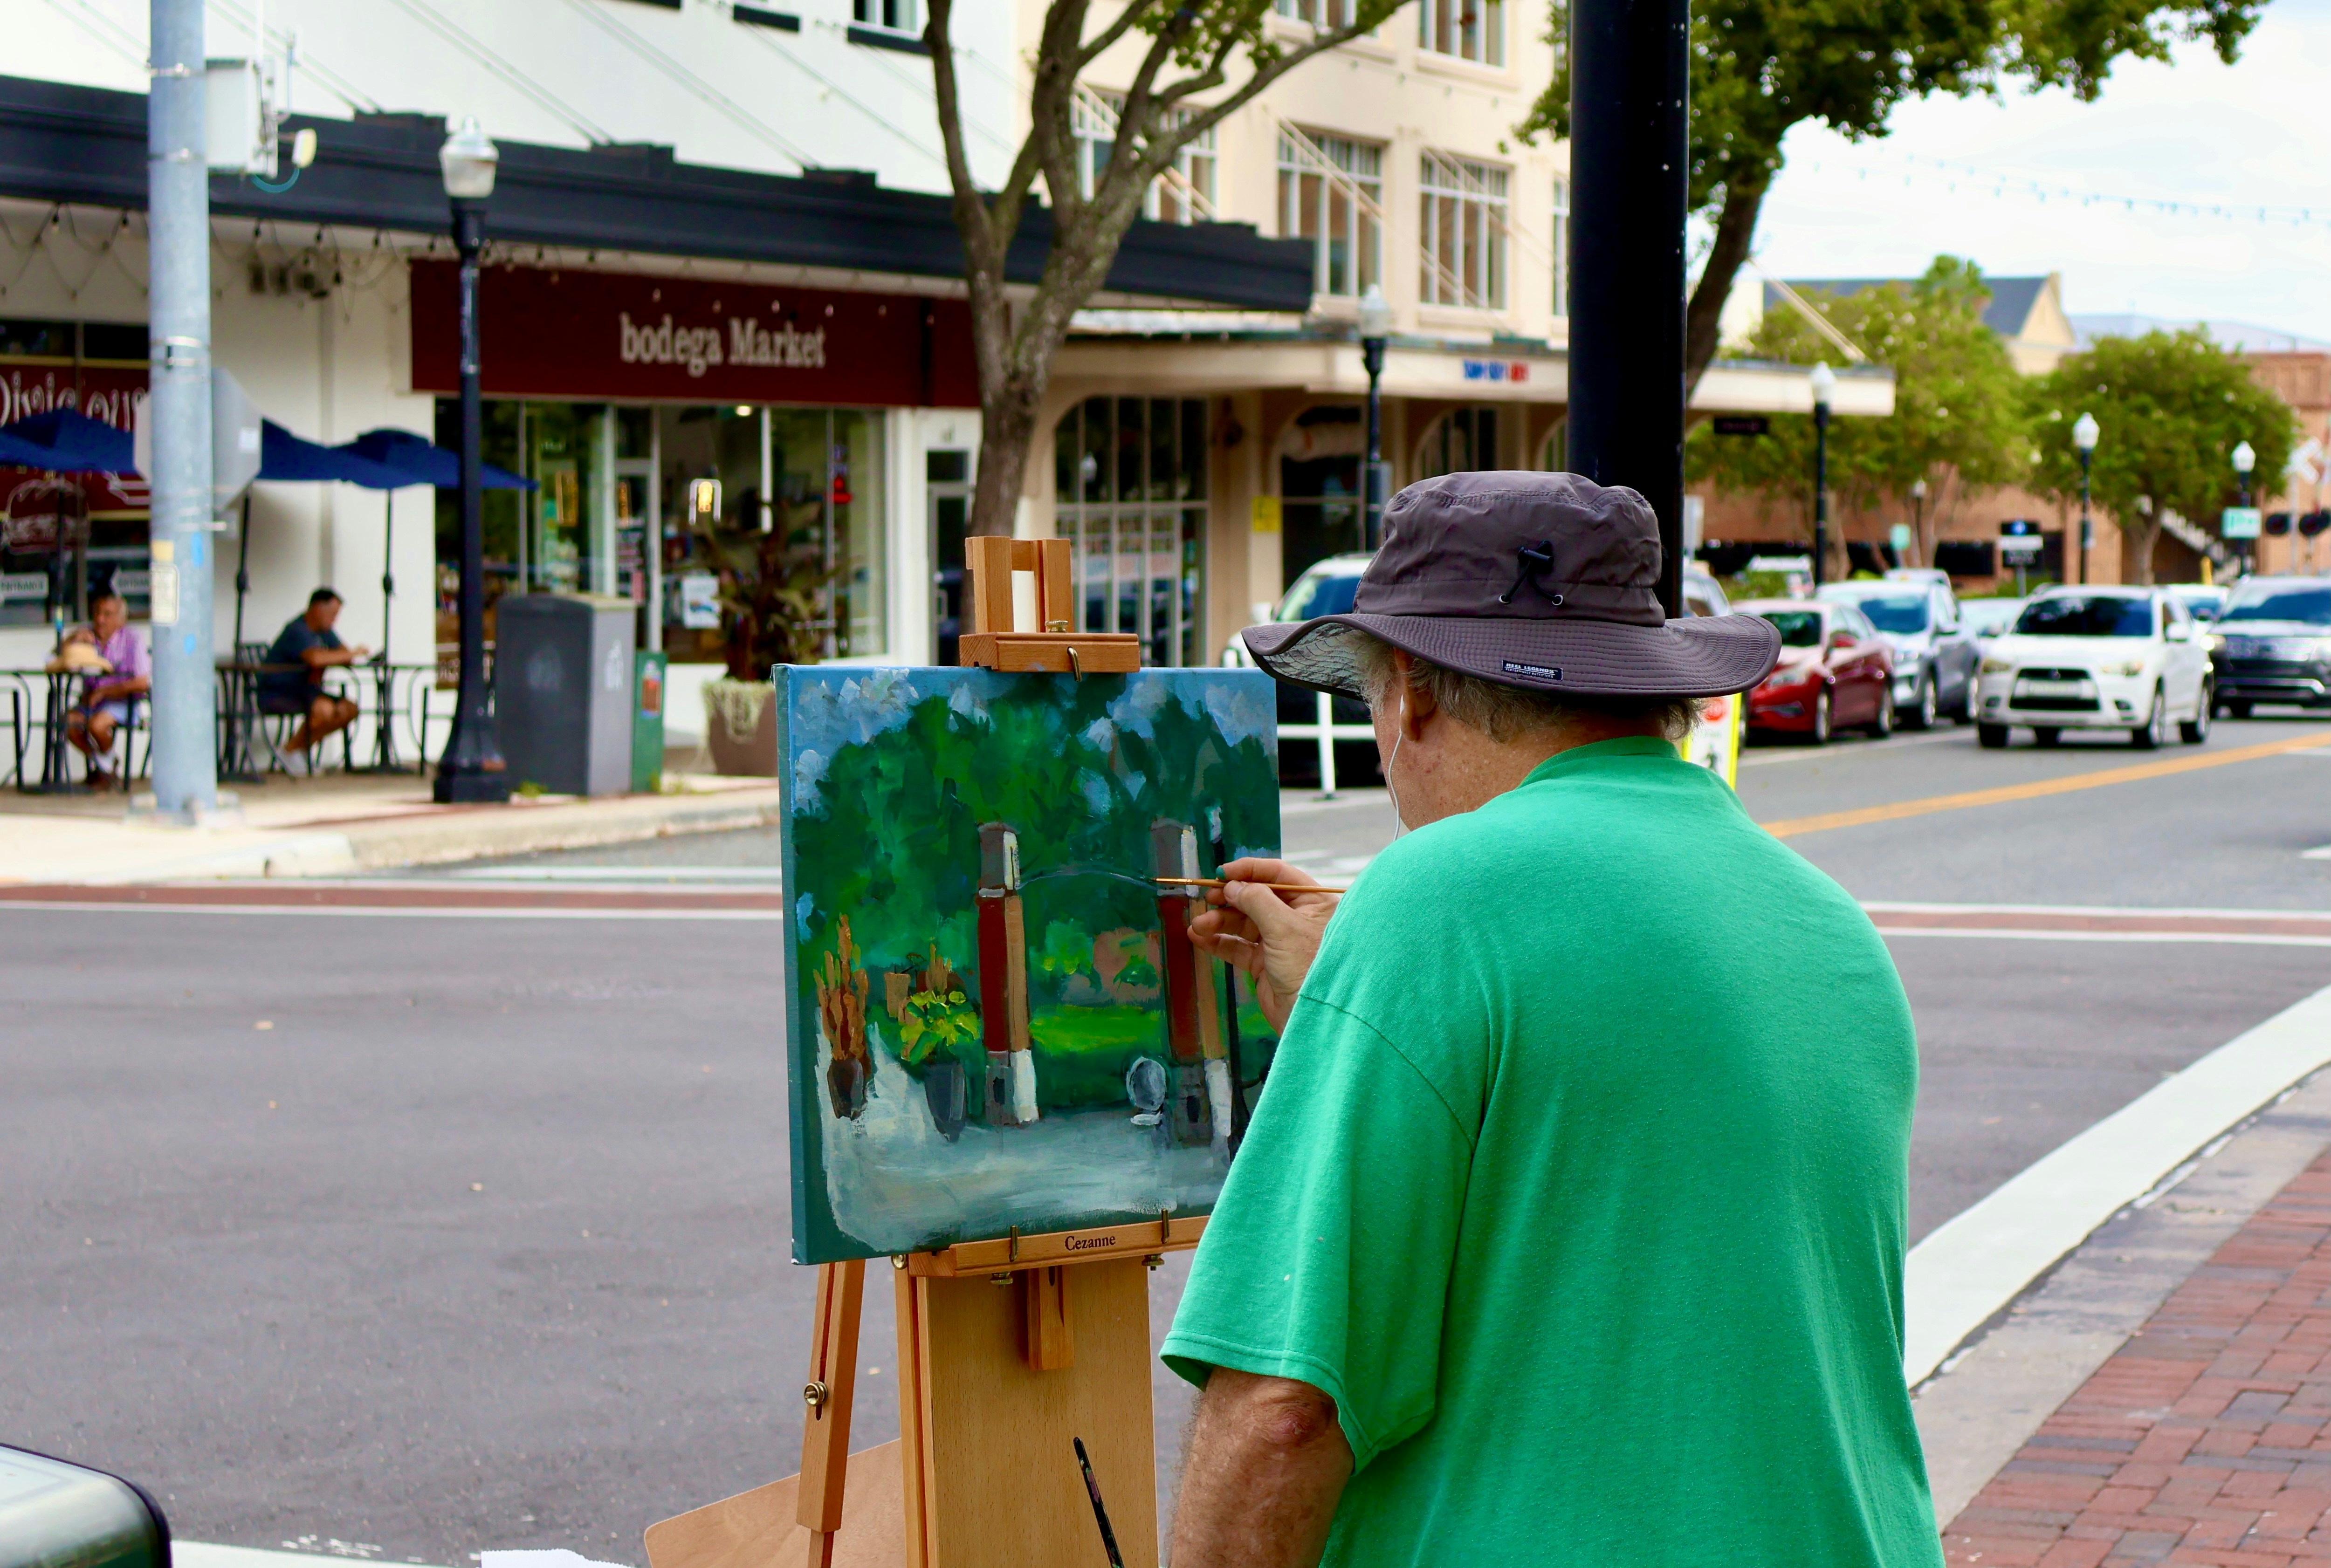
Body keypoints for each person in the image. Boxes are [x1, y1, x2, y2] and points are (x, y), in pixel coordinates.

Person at [1163, 471, 1942, 1568]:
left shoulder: (1436, 895)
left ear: (1409, 695)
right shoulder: (1823, 924)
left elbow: (1285, 1405)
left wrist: (1383, 978)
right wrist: (1346, 1011)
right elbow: (1603, 1209)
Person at [259, 588, 369, 756]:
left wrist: (346, 655)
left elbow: (345, 657)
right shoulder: (297, 630)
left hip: (308, 691)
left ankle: (298, 751)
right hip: (281, 691)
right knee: (325, 710)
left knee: (349, 709)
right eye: (332, 615)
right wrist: (353, 653)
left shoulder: (325, 632)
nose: (335, 620)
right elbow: (315, 659)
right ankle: (290, 753)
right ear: (318, 609)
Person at [60, 589, 151, 788]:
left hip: (123, 703)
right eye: (97, 614)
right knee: (68, 724)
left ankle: (104, 769)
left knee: (97, 725)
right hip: (91, 702)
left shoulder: (133, 639)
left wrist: (105, 692)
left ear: (121, 620)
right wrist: (72, 640)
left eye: (107, 615)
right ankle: (106, 765)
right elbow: (54, 659)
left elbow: (143, 682)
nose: (100, 620)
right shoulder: (87, 636)